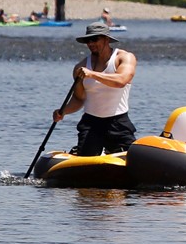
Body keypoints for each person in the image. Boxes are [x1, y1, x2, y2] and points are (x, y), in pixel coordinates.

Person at [52, 22, 137, 156]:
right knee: (85, 160)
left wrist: (92, 74)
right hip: (91, 123)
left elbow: (121, 81)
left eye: (95, 39)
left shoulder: (124, 58)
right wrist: (63, 111)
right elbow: (79, 99)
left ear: (106, 39)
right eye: (88, 40)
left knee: (130, 158)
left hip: (118, 123)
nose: (91, 43)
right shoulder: (81, 67)